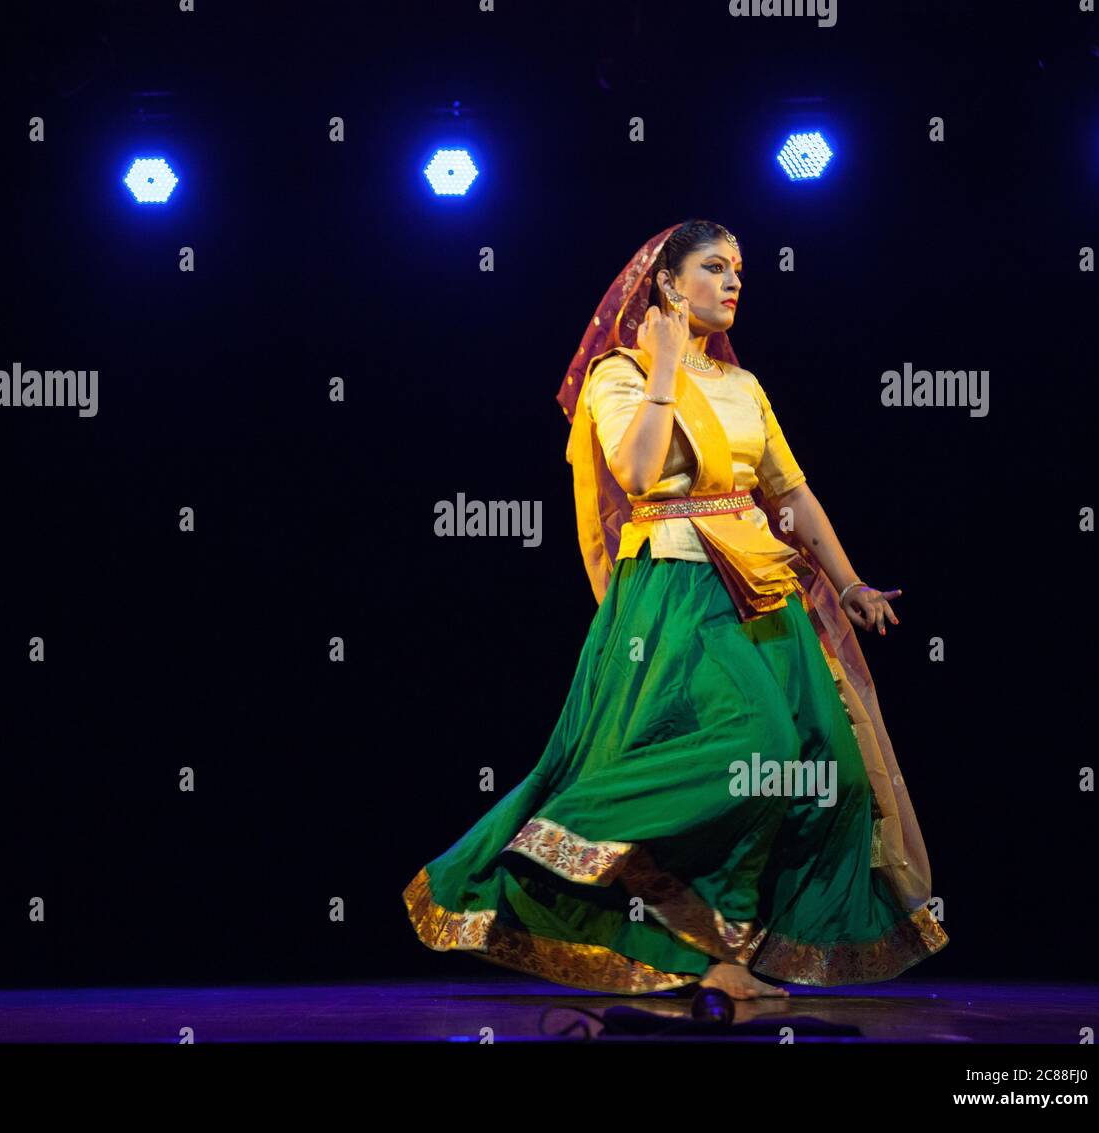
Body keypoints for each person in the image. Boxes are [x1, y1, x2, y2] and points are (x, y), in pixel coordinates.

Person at [402, 219, 949, 998]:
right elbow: (638, 466)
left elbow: (789, 493)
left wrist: (850, 581)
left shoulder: (744, 385)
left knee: (831, 772)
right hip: (678, 588)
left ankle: (730, 950)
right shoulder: (618, 374)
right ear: (666, 283)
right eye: (714, 268)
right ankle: (563, 837)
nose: (733, 283)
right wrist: (662, 368)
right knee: (753, 744)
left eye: (739, 271)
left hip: (766, 589)